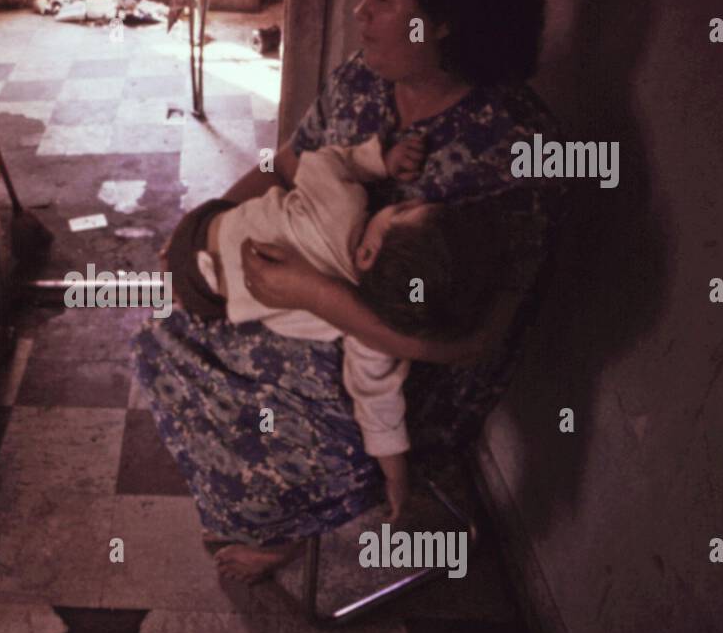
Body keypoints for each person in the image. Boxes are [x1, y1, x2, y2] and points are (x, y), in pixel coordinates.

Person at [133, 0, 566, 583]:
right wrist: (206, 222)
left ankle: (278, 522)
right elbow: (285, 167)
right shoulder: (365, 83)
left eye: (384, 0)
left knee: (247, 391)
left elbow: (478, 341)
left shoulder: (514, 152)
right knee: (172, 328)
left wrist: (317, 295)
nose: (360, 15)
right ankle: (269, 510)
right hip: (311, 301)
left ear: (444, 23)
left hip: (405, 365)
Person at [164, 134, 511, 523]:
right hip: (209, 301)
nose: (409, 200)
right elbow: (379, 401)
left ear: (366, 254)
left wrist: (378, 160)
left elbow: (322, 161)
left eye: (402, 210)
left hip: (201, 234)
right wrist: (396, 477)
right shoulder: (372, 330)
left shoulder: (341, 207)